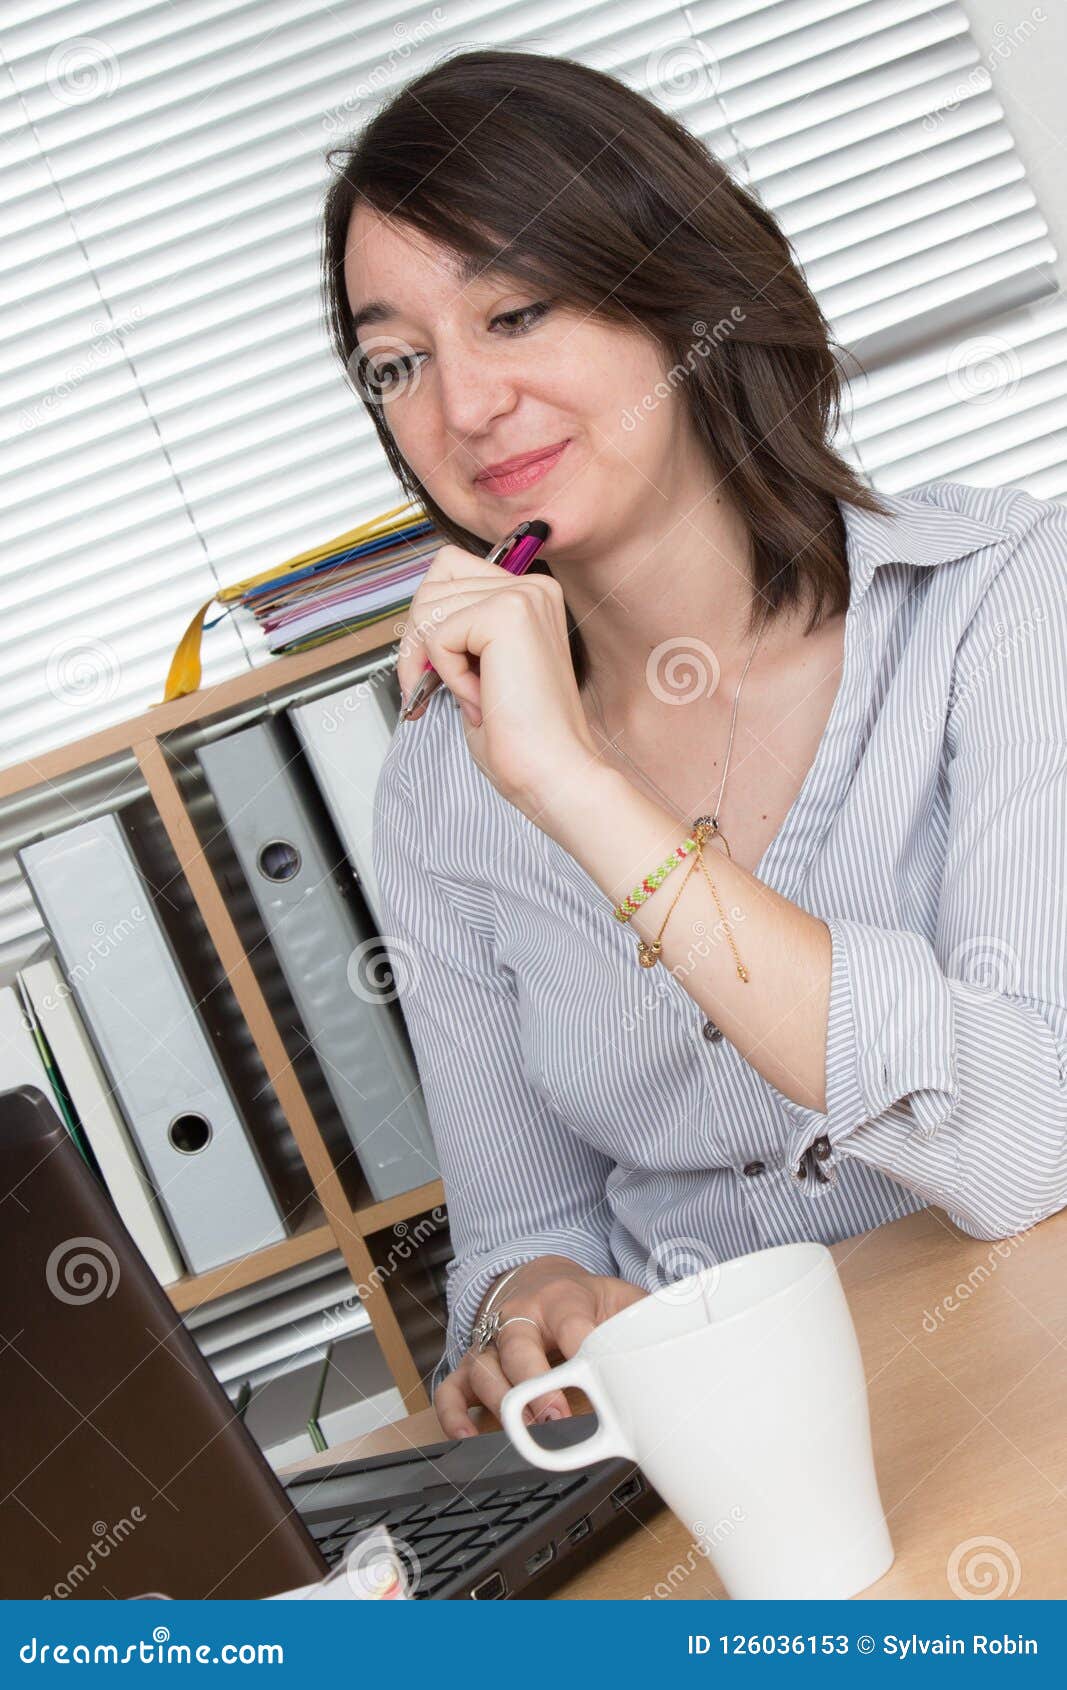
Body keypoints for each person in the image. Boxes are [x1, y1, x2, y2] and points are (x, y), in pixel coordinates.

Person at [321, 48, 1067, 1439]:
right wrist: (528, 1303)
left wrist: (585, 793)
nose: (463, 409)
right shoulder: (438, 780)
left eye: (518, 313)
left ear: (685, 298)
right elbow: (517, 1230)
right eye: (399, 363)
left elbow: (1034, 1137)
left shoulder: (1001, 599)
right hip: (720, 1460)